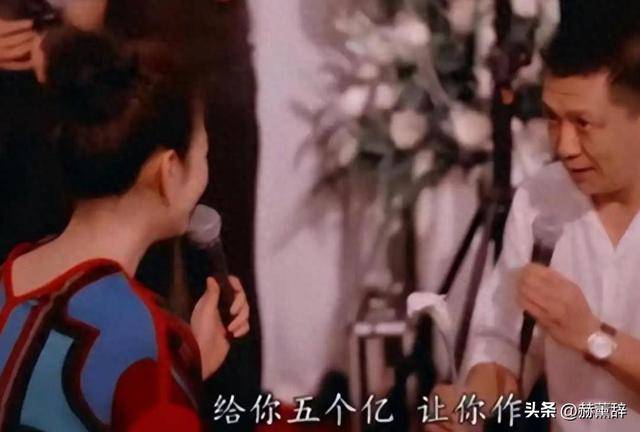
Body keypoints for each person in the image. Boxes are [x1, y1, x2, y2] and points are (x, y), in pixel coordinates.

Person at [0, 28, 249, 431]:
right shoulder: (144, 346)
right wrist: (180, 368)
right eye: (203, 155)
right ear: (169, 171)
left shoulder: (10, 274)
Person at [427, 2, 640, 432]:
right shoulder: (541, 198)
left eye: (583, 124)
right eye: (552, 119)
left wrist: (593, 337)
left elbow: (587, 336)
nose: (564, 146)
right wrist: (472, 406)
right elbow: (503, 342)